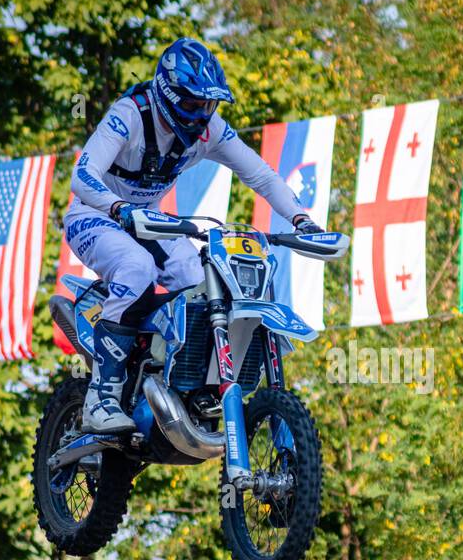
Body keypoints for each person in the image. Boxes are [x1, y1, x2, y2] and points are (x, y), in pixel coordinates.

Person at [66, 37, 322, 432]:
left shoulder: (210, 129)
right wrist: (118, 208)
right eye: (192, 104)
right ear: (168, 94)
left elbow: (261, 175)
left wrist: (301, 219)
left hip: (149, 220)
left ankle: (179, 385)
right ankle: (101, 397)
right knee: (135, 267)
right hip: (94, 214)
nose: (201, 115)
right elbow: (82, 175)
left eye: (208, 106)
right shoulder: (130, 115)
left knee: (200, 283)